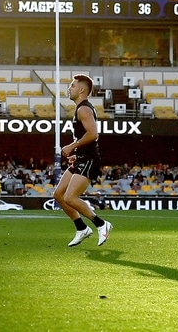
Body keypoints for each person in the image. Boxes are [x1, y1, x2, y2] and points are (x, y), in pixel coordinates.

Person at [52, 74, 113, 248]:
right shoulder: (81, 109)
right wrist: (76, 152)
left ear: (81, 90)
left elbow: (93, 134)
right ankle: (81, 228)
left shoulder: (84, 109)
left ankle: (101, 224)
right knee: (58, 195)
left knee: (70, 197)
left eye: (72, 85)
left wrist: (72, 146)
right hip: (81, 158)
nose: (69, 88)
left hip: (89, 160)